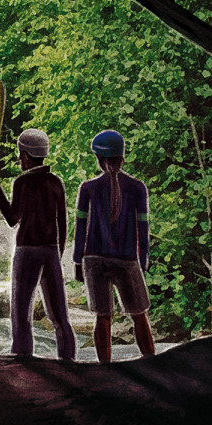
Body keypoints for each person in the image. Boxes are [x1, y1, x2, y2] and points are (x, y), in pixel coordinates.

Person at [0, 129, 75, 360]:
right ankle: (69, 360)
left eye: (19, 154)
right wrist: (58, 252)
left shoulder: (21, 182)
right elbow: (62, 223)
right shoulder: (56, 182)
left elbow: (12, 218)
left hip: (26, 252)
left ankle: (22, 360)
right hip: (51, 251)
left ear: (25, 156)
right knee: (59, 315)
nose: (18, 159)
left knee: (21, 314)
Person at [73, 130, 155, 362]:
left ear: (99, 158)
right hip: (118, 259)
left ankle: (113, 367)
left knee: (113, 316)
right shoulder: (136, 187)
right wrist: (144, 258)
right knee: (129, 314)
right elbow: (142, 228)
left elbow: (81, 228)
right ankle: (146, 363)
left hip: (101, 259)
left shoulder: (89, 188)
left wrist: (78, 260)